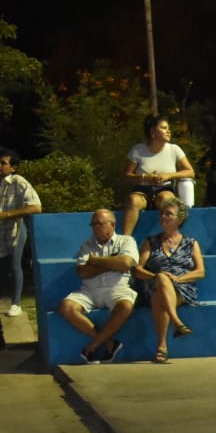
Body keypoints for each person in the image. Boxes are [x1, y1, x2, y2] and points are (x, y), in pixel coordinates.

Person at [57, 210, 139, 364]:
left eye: (100, 223)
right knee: (65, 307)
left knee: (126, 306)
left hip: (117, 287)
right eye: (94, 224)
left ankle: (93, 345)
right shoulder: (87, 246)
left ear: (112, 225)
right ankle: (109, 343)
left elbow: (126, 263)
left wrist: (95, 261)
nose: (96, 227)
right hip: (90, 290)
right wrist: (113, 262)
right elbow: (82, 272)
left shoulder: (126, 241)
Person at [131, 197, 205, 363]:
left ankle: (162, 345)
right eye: (162, 214)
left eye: (168, 214)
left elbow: (200, 272)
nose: (163, 217)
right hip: (152, 284)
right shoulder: (151, 242)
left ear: (180, 219)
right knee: (162, 281)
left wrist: (177, 279)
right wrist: (157, 277)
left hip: (182, 289)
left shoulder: (191, 243)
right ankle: (177, 322)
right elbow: (138, 269)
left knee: (160, 296)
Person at [123, 115, 195, 235]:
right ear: (153, 132)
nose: (168, 131)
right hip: (143, 189)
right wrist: (145, 177)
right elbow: (126, 175)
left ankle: (170, 236)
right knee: (133, 200)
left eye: (168, 128)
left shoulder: (174, 149)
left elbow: (190, 172)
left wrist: (168, 176)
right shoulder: (138, 150)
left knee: (167, 200)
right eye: (163, 128)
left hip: (164, 188)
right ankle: (125, 240)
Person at [0, 147, 40, 319]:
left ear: (13, 167)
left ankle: (16, 303)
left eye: (3, 163)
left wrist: (7, 215)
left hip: (15, 229)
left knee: (15, 265)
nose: (0, 166)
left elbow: (36, 206)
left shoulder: (18, 181)